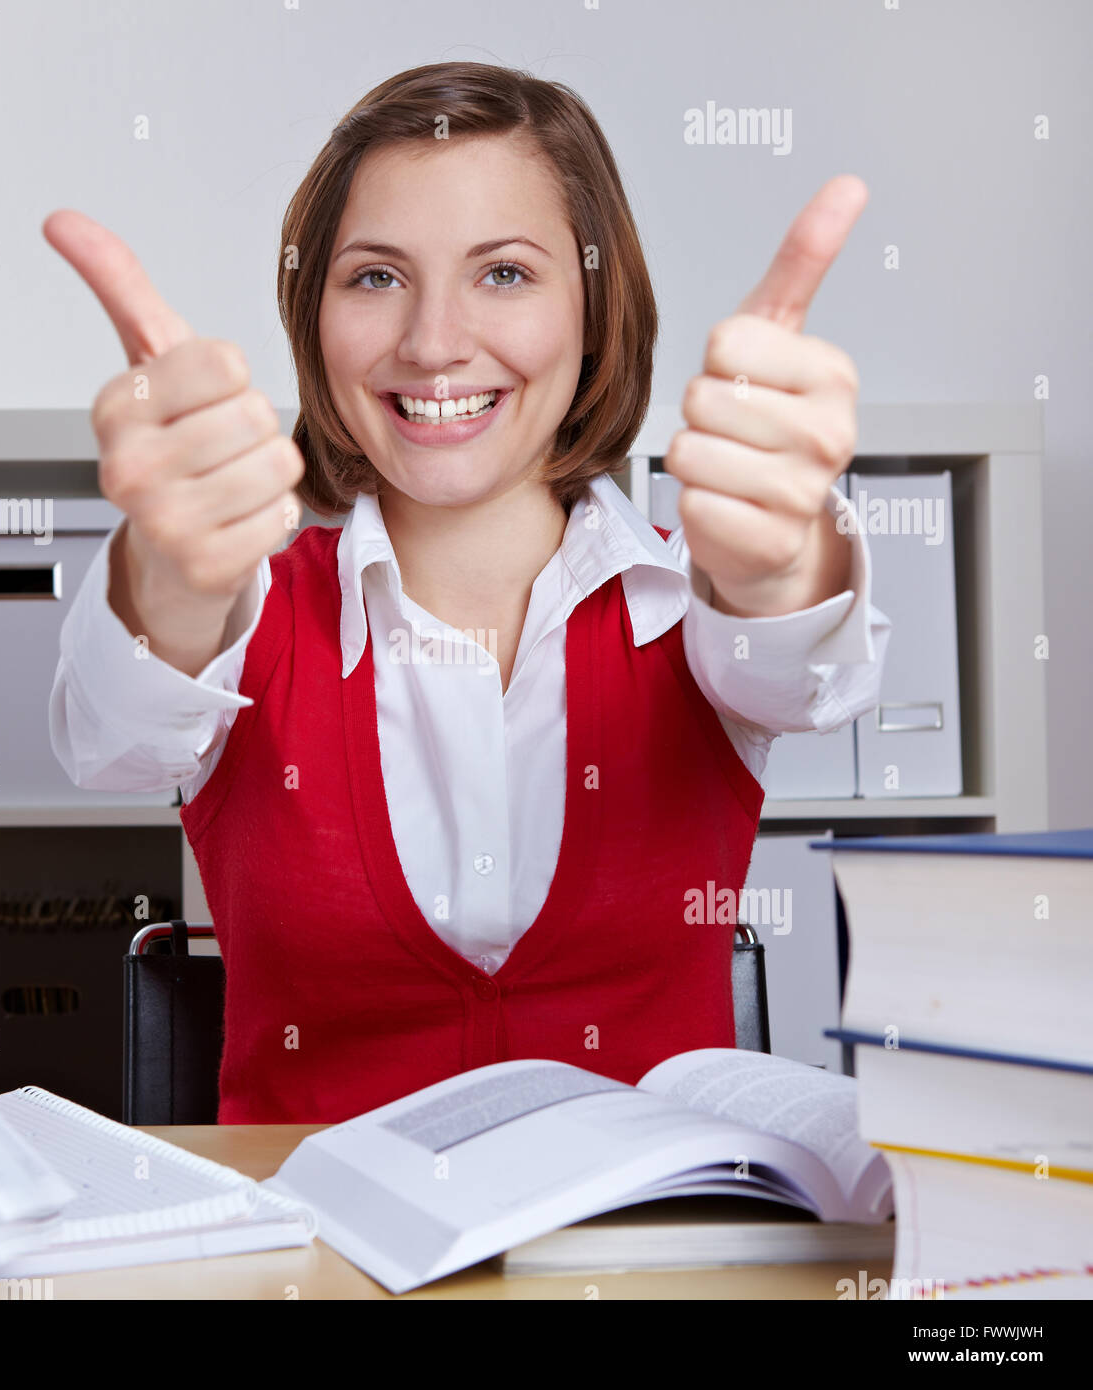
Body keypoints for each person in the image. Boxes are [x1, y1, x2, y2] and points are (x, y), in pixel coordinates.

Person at [46, 61, 890, 1123]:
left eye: (503, 273)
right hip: (315, 1270)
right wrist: (169, 570)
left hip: (649, 1266)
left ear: (593, 310)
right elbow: (114, 736)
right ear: (313, 320)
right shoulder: (242, 607)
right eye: (374, 277)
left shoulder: (693, 605)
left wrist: (778, 557)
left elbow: (806, 661)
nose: (433, 341)